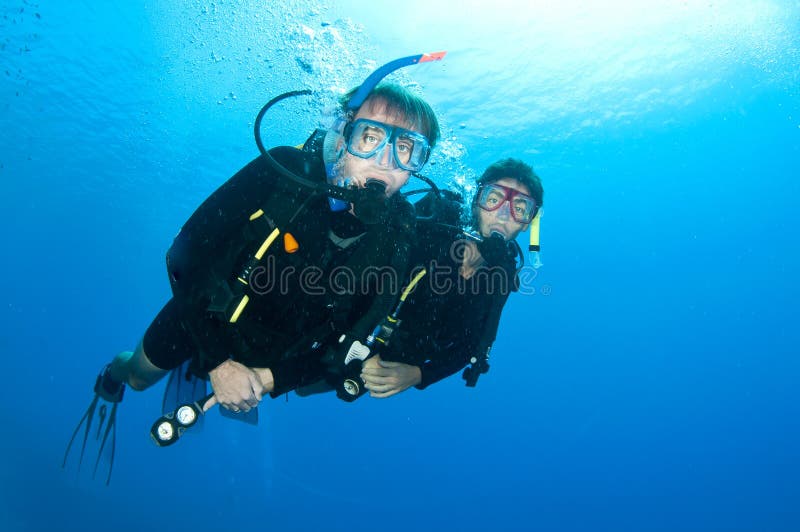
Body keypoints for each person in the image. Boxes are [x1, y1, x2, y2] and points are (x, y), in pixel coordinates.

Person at [63, 54, 443, 483]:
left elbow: (352, 340)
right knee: (137, 379)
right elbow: (183, 257)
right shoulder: (283, 171)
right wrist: (218, 362)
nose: (386, 161)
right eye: (371, 136)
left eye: (408, 149)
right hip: (201, 317)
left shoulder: (399, 235)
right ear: (342, 134)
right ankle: (114, 370)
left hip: (273, 357)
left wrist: (271, 378)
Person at [348, 158, 543, 398]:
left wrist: (419, 375)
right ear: (475, 202)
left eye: (520, 209)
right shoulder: (436, 220)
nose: (503, 215)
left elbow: (472, 346)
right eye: (493, 200)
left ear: (528, 224)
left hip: (392, 362)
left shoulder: (500, 275)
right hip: (344, 327)